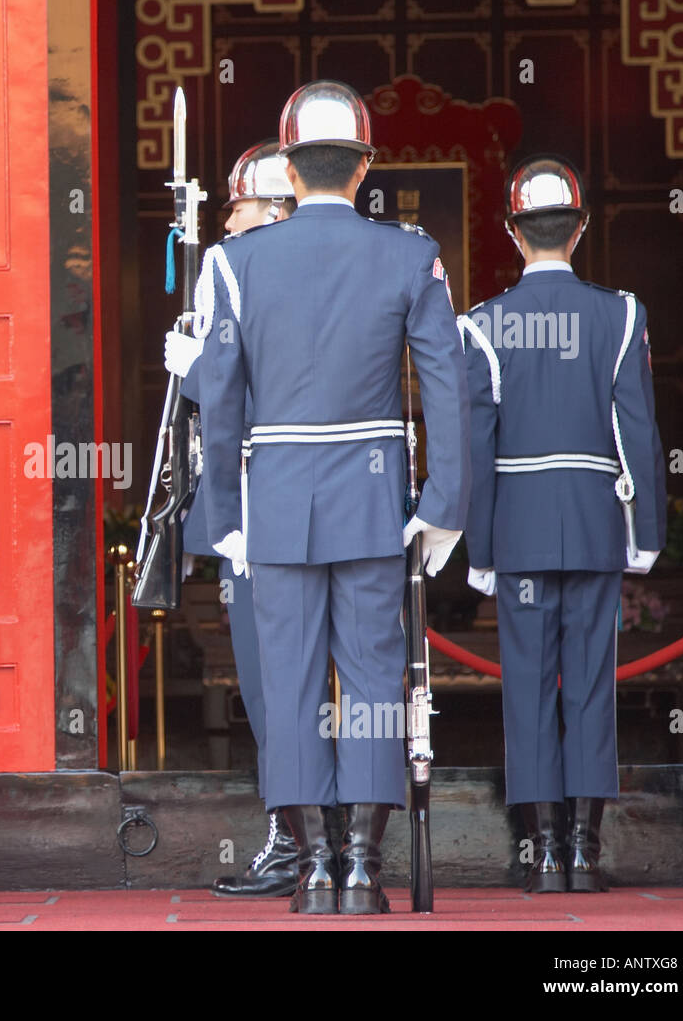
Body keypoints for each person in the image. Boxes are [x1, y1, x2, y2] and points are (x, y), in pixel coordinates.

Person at [194, 81, 471, 914]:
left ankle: (313, 867)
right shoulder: (409, 253)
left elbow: (221, 403)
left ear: (288, 163)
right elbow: (446, 386)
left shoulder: (233, 262)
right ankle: (362, 865)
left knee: (289, 684)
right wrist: (444, 502)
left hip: (275, 499)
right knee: (376, 681)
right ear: (363, 168)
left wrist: (225, 518)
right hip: (374, 497)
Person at [460, 156, 665, 893]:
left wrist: (478, 546)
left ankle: (542, 854)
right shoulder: (621, 314)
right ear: (579, 229)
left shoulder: (482, 325)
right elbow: (635, 431)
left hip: (517, 527)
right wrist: (644, 531)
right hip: (594, 521)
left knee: (526, 685)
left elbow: (476, 449)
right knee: (589, 685)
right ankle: (584, 848)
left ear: (514, 233)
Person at [165, 140, 300, 898]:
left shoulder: (233, 267)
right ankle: (330, 837)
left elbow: (234, 395)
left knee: (268, 679)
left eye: (239, 204)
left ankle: (293, 833)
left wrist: (195, 370)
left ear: (277, 204)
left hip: (256, 503)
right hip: (328, 505)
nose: (229, 217)